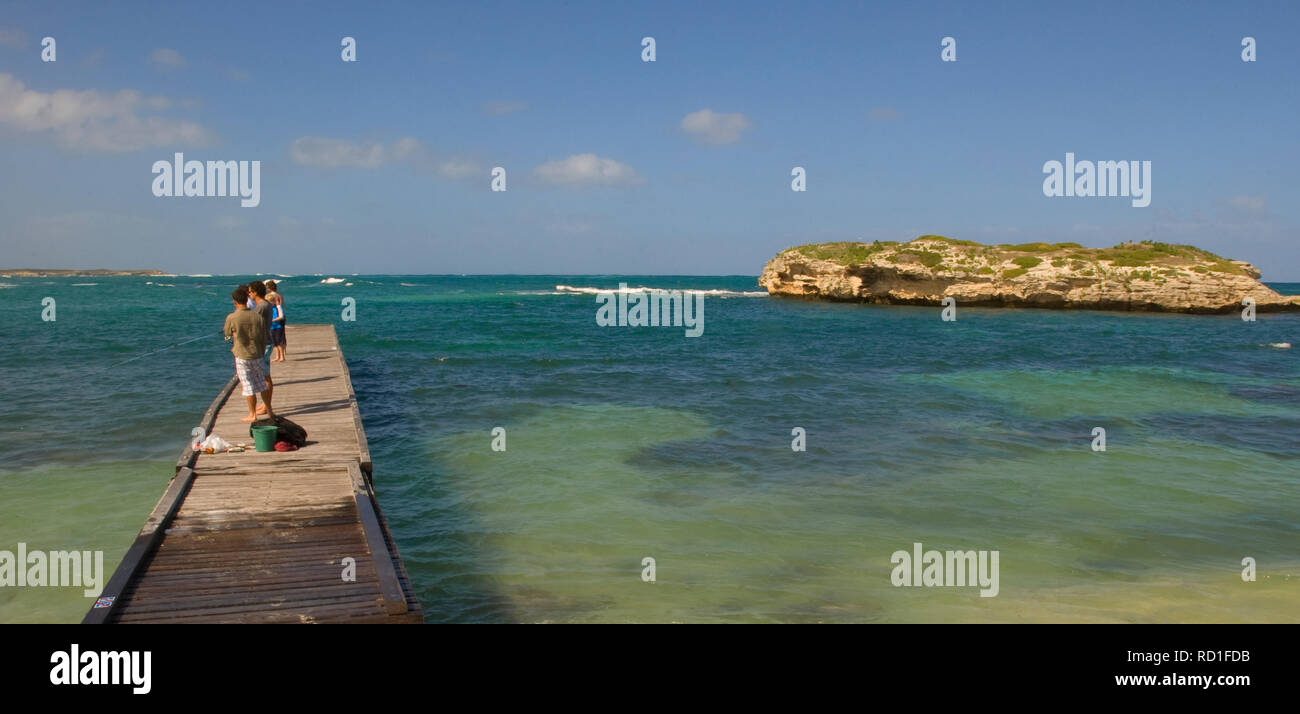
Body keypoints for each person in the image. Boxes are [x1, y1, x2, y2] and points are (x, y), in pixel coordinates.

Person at [223, 285, 274, 422]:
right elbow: (264, 337)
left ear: (235, 302)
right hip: (258, 354)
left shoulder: (232, 317)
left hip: (242, 355)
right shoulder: (257, 317)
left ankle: (253, 414)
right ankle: (268, 410)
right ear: (247, 299)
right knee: (263, 383)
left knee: (248, 385)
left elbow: (227, 333)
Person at [247, 281, 275, 414]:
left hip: (264, 343)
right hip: (266, 341)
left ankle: (267, 406)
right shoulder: (266, 305)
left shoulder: (261, 306)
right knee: (265, 376)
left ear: (255, 292)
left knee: (265, 377)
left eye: (250, 291)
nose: (249, 294)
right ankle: (265, 404)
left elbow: (252, 324)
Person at [266, 280, 287, 362]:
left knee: (277, 339)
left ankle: (281, 355)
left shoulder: (270, 296)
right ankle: (281, 354)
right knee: (280, 338)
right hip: (279, 318)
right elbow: (282, 304)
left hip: (276, 320)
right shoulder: (279, 295)